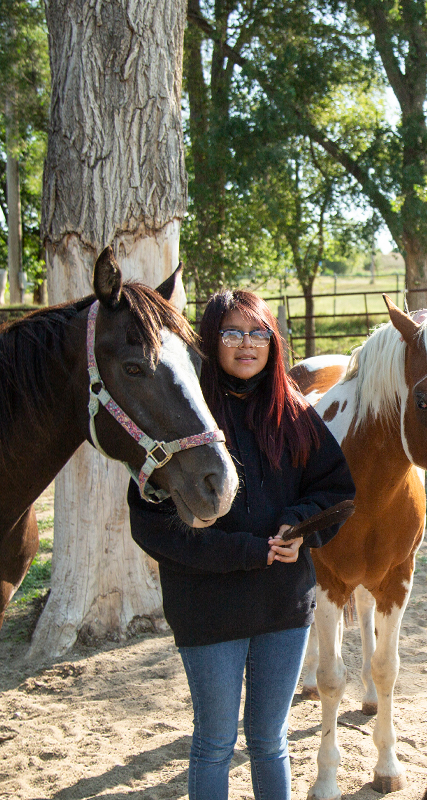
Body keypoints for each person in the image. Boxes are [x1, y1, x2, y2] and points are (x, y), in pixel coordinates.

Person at [127, 289, 355, 800]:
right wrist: (247, 552)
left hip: (283, 604)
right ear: (211, 341)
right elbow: (153, 523)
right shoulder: (184, 414)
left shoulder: (294, 414)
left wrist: (298, 529)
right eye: (232, 332)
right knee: (214, 742)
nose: (246, 344)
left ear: (273, 342)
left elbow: (337, 490)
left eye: (258, 333)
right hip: (208, 608)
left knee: (270, 740)